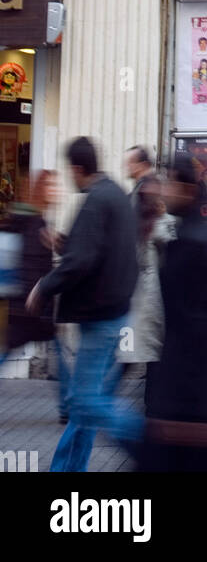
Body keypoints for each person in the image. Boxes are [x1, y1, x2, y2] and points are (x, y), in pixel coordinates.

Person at [26, 137, 142, 473]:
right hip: (114, 313)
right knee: (83, 406)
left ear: (78, 168)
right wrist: (63, 243)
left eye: (69, 172)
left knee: (89, 403)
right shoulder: (116, 195)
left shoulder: (95, 201)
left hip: (99, 318)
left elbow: (82, 261)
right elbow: (94, 252)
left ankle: (157, 446)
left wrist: (43, 287)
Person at [138, 153, 207, 471]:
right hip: (191, 400)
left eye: (168, 182)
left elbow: (197, 332)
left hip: (189, 403)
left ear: (186, 189)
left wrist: (184, 407)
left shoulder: (194, 247)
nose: (163, 189)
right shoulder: (189, 240)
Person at [0, 169, 70, 420]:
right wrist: (39, 302)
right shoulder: (35, 224)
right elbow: (30, 266)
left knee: (53, 353)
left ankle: (66, 406)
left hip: (28, 306)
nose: (57, 190)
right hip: (31, 308)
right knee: (55, 353)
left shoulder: (34, 220)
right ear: (42, 190)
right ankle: (67, 407)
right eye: (52, 186)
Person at [112, 173, 175, 412]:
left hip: (131, 297)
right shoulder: (161, 223)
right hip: (152, 299)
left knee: (127, 356)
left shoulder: (130, 223)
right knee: (152, 356)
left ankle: (103, 400)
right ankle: (152, 406)